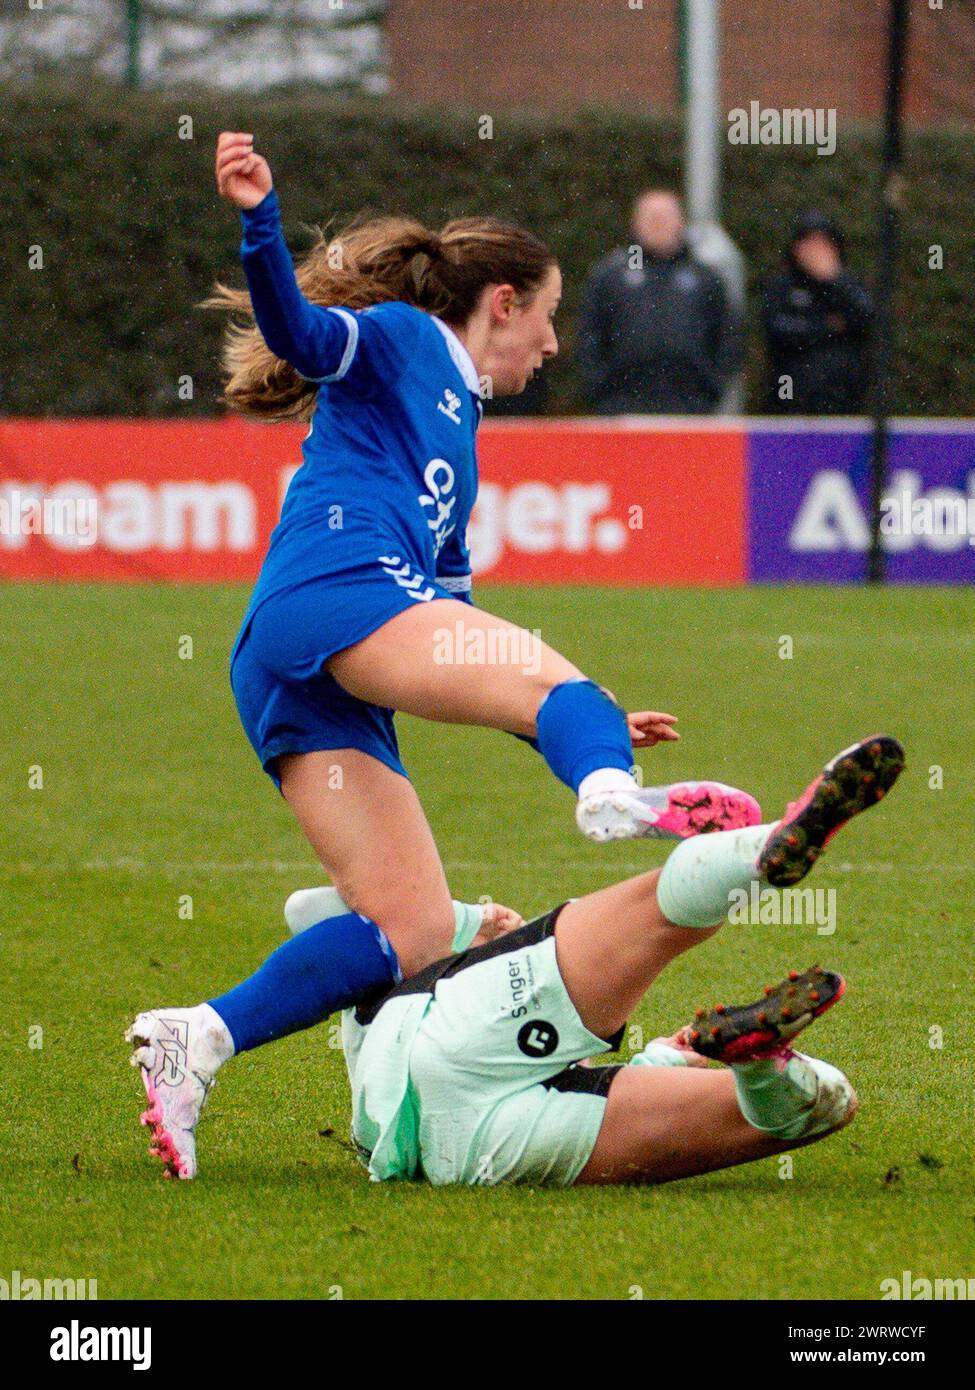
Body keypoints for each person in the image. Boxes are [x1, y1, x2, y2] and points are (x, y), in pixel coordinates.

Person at [122, 133, 760, 1180]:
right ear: (502, 301)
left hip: (294, 663)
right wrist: (258, 217)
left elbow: (455, 640)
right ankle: (614, 797)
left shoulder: (459, 444)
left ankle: (197, 1038)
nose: (553, 347)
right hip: (337, 598)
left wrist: (544, 710)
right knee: (563, 686)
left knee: (412, 932)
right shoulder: (406, 339)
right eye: (548, 318)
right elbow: (291, 327)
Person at [129, 735, 904, 1185]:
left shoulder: (401, 952)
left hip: (455, 1132)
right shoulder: (412, 950)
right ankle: (763, 866)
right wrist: (466, 924)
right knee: (811, 1099)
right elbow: (329, 918)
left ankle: (758, 890)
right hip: (460, 1113)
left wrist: (459, 924)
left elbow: (316, 914)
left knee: (802, 1091)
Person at [577, 189, 742, 415]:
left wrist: (712, 387)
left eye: (664, 217)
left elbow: (729, 335)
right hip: (622, 409)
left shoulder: (706, 278)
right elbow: (590, 334)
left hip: (692, 410)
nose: (658, 224)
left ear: (681, 221)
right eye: (650, 218)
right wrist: (601, 387)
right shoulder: (611, 275)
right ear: (635, 222)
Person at [762, 210, 875, 415]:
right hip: (792, 403)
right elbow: (778, 329)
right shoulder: (782, 285)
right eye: (809, 244)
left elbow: (866, 318)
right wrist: (828, 327)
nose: (816, 252)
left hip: (844, 403)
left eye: (823, 245)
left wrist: (834, 280)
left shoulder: (848, 285)